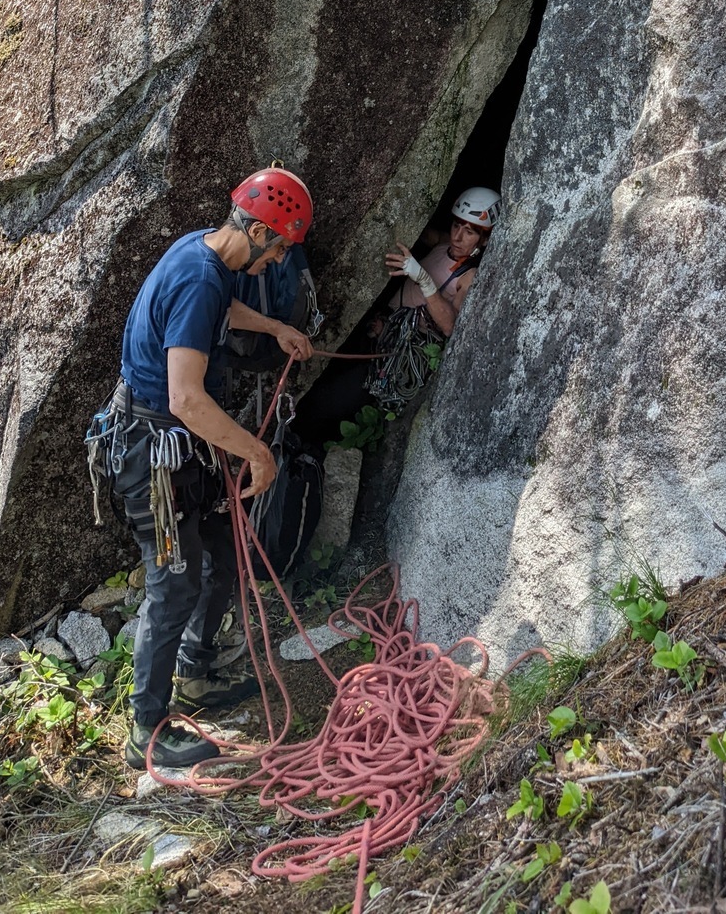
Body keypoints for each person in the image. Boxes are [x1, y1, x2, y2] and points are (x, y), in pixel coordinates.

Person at [99, 167, 315, 770]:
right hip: (154, 452)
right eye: (277, 249)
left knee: (224, 550)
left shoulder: (206, 255)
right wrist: (257, 450)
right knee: (172, 585)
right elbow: (186, 399)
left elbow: (223, 309)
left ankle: (196, 670)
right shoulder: (199, 276)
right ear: (257, 231)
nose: (276, 263)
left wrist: (275, 326)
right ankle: (145, 729)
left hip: (179, 449)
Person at [295, 186, 501, 449]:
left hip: (393, 354)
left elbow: (450, 326)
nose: (458, 236)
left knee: (331, 402)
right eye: (457, 225)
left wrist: (424, 280)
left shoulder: (468, 277)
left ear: (484, 240)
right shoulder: (445, 245)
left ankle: (305, 445)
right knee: (329, 382)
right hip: (381, 328)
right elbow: (425, 234)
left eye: (470, 231)